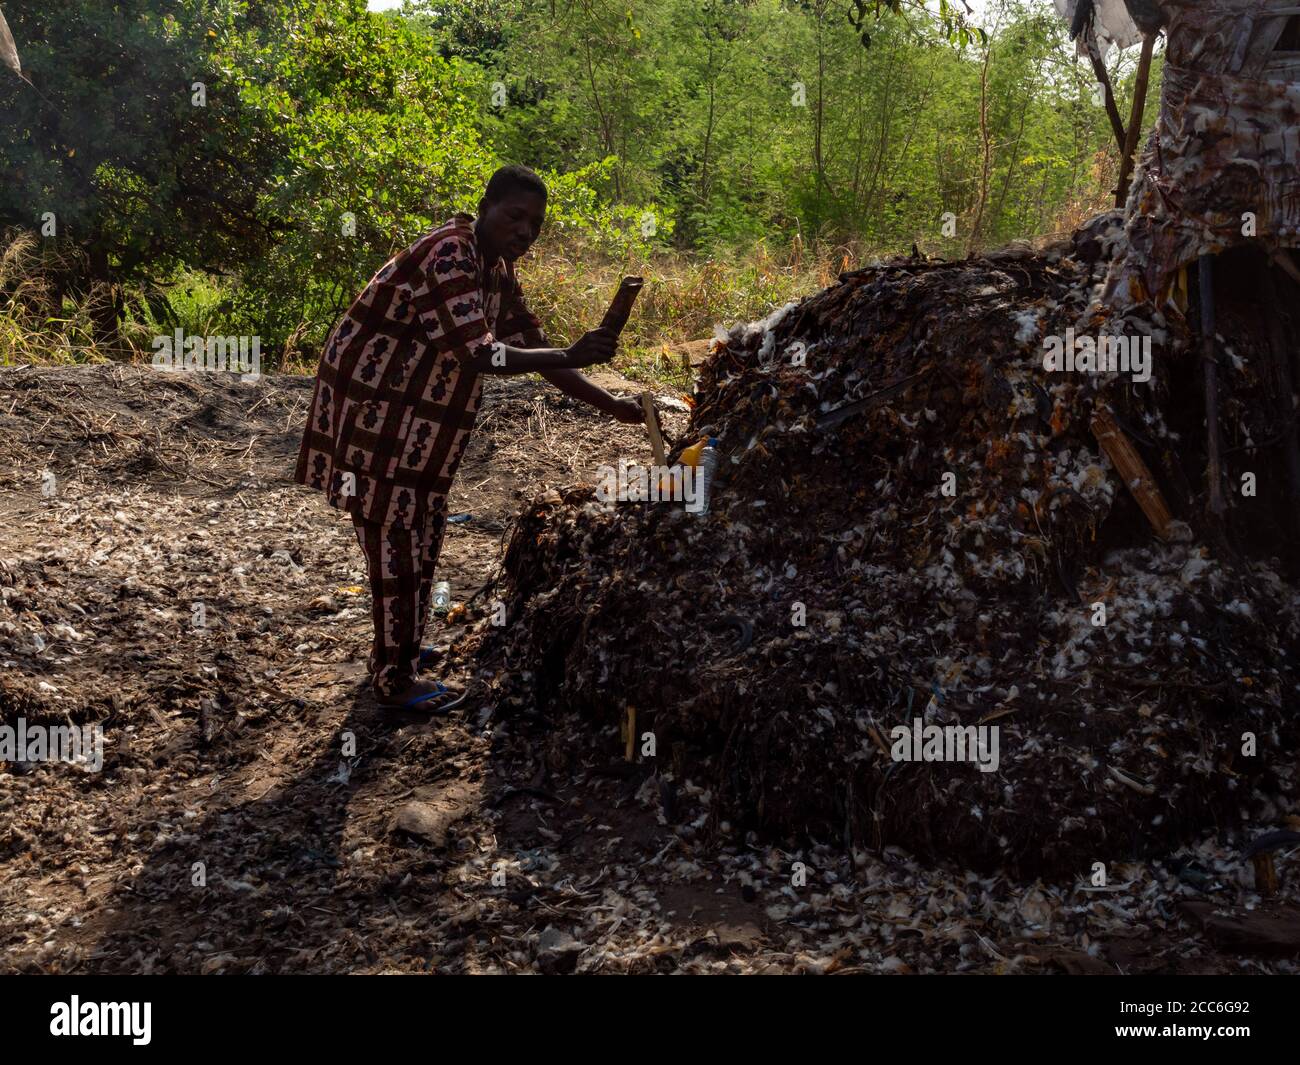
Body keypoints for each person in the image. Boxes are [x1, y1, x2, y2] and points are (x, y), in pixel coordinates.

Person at [295, 164, 644, 710]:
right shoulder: (451, 254)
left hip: (419, 422)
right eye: (515, 216)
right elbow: (478, 352)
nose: (524, 231)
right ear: (485, 208)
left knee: (421, 526)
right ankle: (394, 679)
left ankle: (401, 649)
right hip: (379, 411)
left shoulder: (496, 269)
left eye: (535, 224)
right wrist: (571, 354)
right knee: (395, 536)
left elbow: (529, 344)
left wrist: (610, 403)